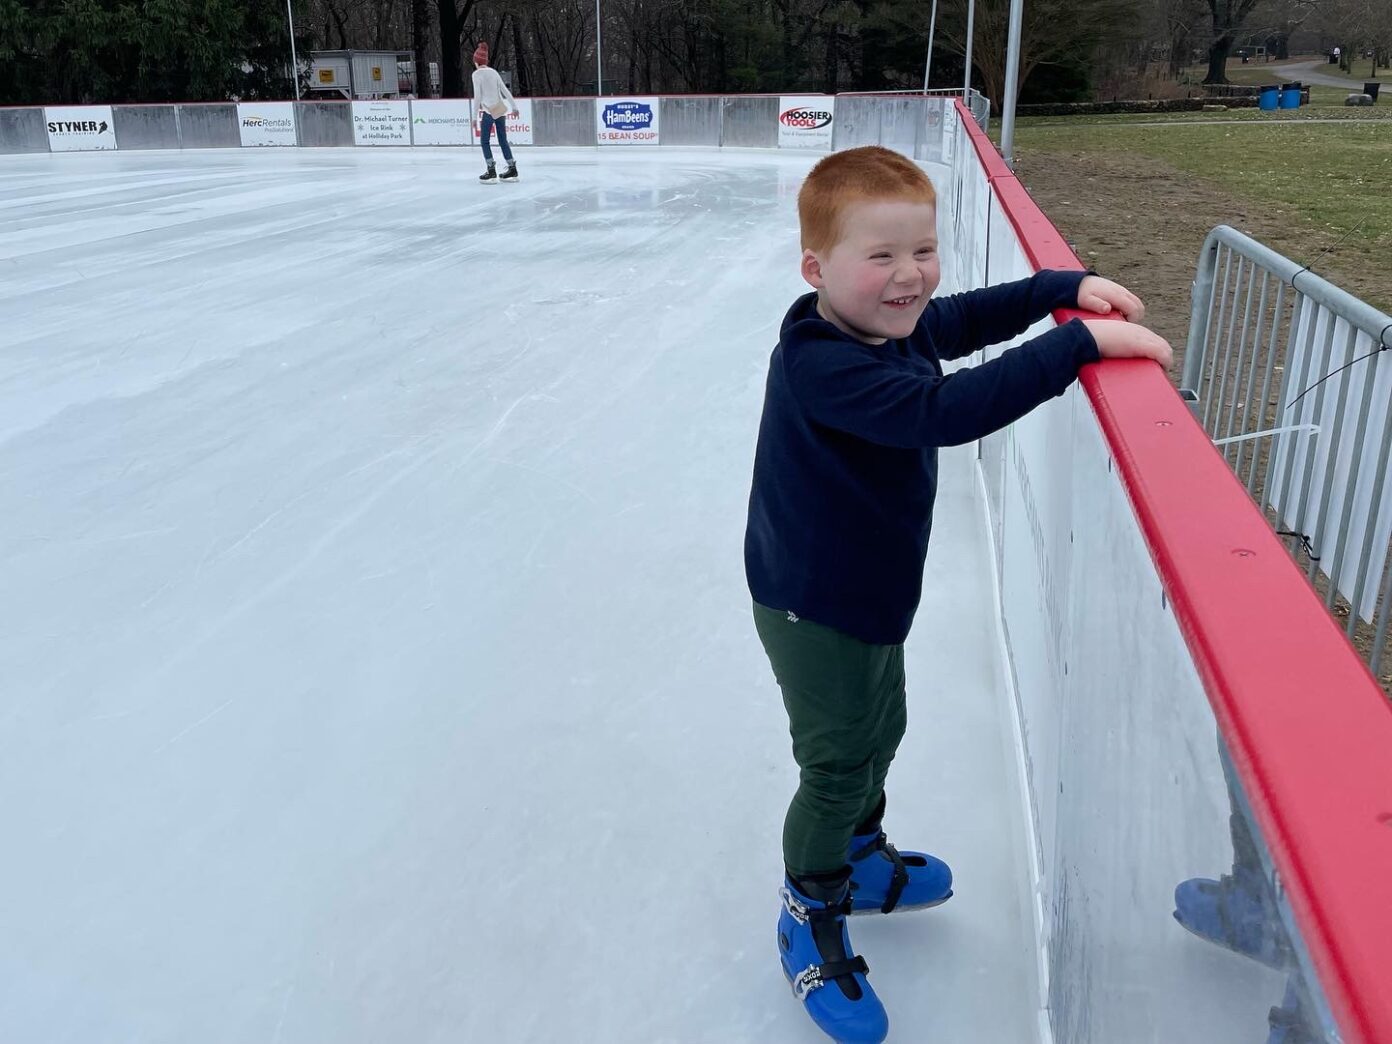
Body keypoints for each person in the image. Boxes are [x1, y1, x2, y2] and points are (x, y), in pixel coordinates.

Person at [744, 145, 1172, 1043]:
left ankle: (858, 857)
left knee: (881, 732)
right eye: (882, 257)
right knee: (834, 765)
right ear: (817, 269)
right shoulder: (828, 364)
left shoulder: (889, 325)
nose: (910, 279)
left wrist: (1063, 285)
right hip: (810, 602)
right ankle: (807, 905)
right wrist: (1077, 344)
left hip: (866, 593)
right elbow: (945, 415)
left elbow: (965, 318)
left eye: (923, 252)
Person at [470, 42, 518, 183]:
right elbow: (505, 91)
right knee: (503, 140)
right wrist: (514, 107)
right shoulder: (494, 72)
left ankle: (491, 170)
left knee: (485, 141)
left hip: (488, 111)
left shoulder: (476, 74)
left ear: (477, 61)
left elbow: (477, 96)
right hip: (499, 110)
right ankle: (512, 167)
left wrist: (474, 117)